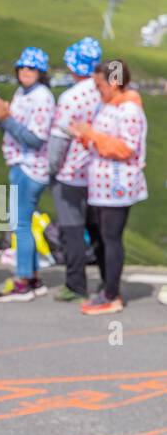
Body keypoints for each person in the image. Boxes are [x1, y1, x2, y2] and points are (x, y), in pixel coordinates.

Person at [69, 59, 147, 316]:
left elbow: (125, 148)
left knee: (111, 238)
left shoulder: (129, 110)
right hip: (100, 185)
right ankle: (107, 285)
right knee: (100, 237)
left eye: (100, 84)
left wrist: (90, 134)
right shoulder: (108, 107)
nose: (97, 89)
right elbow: (100, 142)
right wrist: (82, 135)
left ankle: (112, 294)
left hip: (117, 184)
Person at [0, 47, 56, 303]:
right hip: (20, 164)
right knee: (24, 223)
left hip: (31, 166)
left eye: (31, 68)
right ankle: (33, 278)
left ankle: (22, 282)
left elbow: (35, 138)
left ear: (40, 72)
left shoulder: (41, 97)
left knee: (20, 224)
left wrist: (6, 120)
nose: (26, 72)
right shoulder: (23, 93)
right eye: (22, 67)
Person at [47, 37, 104, 303]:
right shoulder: (106, 92)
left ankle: (76, 284)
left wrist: (52, 169)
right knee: (99, 230)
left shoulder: (71, 97)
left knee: (72, 230)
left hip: (71, 174)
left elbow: (59, 141)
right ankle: (108, 281)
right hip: (99, 172)